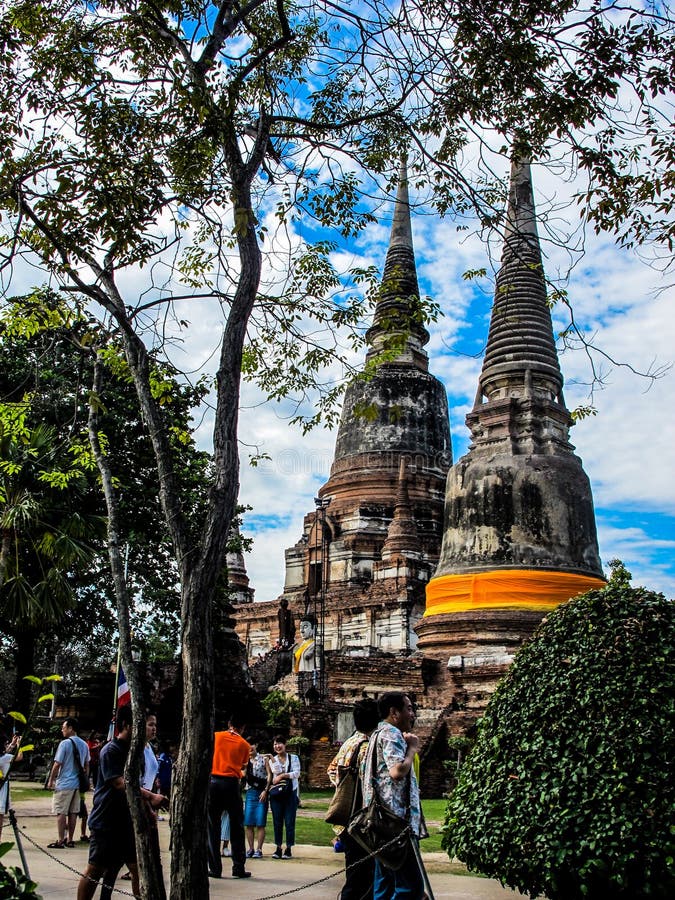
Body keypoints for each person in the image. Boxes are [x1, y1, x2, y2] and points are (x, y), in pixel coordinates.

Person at [77, 705, 167, 900]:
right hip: (107, 820)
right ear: (126, 725)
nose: (151, 729)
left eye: (153, 725)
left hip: (128, 821)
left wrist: (148, 810)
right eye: (145, 724)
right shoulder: (111, 750)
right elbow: (120, 783)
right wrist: (151, 797)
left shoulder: (138, 752)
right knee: (95, 869)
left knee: (138, 868)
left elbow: (139, 784)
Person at [361, 692, 426, 899]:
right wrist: (412, 749)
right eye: (408, 708)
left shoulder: (376, 735)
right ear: (394, 712)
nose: (412, 713)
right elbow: (397, 771)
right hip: (396, 823)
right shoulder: (390, 734)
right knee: (410, 887)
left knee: (385, 885)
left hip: (382, 823)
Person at [327, 698, 380, 899]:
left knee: (355, 874)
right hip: (363, 819)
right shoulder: (369, 746)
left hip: (348, 817)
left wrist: (343, 786)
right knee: (363, 880)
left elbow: (331, 771)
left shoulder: (349, 742)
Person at [208, 714, 252, 879]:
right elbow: (242, 764)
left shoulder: (216, 737)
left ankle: (214, 867)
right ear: (242, 728)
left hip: (214, 781)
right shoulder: (245, 745)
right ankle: (238, 866)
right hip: (231, 783)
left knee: (213, 825)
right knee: (236, 826)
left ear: (229, 724)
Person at [47, 717, 90, 849]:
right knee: (73, 812)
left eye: (64, 727)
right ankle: (70, 839)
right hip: (77, 784)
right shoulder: (84, 744)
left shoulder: (65, 744)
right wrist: (85, 779)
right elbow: (87, 765)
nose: (62, 729)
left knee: (61, 812)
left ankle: (61, 839)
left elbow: (57, 764)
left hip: (65, 783)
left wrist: (51, 780)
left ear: (71, 728)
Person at [269, 734, 301, 859]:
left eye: (279, 743)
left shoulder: (293, 758)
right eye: (275, 744)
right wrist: (272, 759)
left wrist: (283, 776)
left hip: (290, 793)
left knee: (289, 821)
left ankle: (288, 848)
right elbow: (275, 772)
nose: (277, 746)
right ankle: (278, 847)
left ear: (285, 744)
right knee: (277, 822)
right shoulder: (273, 759)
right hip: (277, 794)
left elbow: (296, 773)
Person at [243, 738, 272, 858]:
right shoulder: (246, 761)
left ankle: (259, 849)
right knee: (249, 823)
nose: (250, 747)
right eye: (247, 745)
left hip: (262, 792)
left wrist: (266, 790)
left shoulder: (264, 759)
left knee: (260, 822)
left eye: (252, 745)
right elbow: (243, 774)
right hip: (250, 792)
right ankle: (250, 849)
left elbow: (269, 774)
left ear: (256, 745)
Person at [0, 732, 22, 840]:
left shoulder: (3, 757)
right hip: (2, 788)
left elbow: (5, 752)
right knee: (0, 815)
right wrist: (19, 745)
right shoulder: (6, 758)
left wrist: (12, 744)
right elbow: (19, 757)